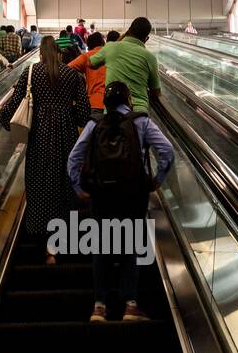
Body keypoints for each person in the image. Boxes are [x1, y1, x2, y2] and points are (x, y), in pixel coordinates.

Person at [68, 80, 175, 323]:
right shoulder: (141, 121)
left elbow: (74, 157)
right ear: (128, 100)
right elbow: (167, 151)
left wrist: (78, 187)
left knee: (101, 248)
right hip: (133, 193)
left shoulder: (94, 124)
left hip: (101, 194)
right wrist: (157, 180)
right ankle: (130, 305)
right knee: (131, 246)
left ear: (105, 103)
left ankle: (99, 307)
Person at [0, 38, 90, 262]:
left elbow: (16, 101)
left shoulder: (31, 72)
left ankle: (45, 242)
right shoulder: (73, 76)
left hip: (39, 135)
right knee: (64, 184)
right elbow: (84, 113)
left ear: (42, 54)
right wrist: (65, 114)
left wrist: (1, 113)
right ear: (60, 54)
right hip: (66, 136)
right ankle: (62, 239)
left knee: (39, 183)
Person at [89, 17, 161, 113]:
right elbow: (156, 91)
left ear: (129, 31)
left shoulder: (111, 47)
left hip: (113, 112)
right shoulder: (150, 57)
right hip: (138, 113)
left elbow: (91, 63)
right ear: (146, 38)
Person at [69, 31, 108, 121]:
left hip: (94, 103)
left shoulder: (87, 56)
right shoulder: (112, 55)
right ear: (103, 43)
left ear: (89, 45)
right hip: (114, 103)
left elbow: (67, 69)